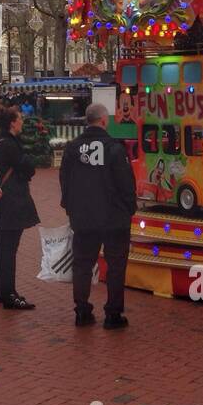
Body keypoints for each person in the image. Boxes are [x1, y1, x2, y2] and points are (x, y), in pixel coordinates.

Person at [59, 104, 135, 329]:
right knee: (116, 265)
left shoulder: (73, 148)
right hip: (113, 218)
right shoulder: (114, 148)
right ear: (104, 121)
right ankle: (113, 313)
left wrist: (70, 207)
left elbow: (65, 180)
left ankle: (82, 310)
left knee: (82, 263)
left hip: (83, 217)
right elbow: (125, 183)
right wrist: (130, 208)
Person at [0, 105, 40, 310]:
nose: (22, 121)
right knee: (8, 248)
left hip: (6, 199)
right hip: (13, 199)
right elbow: (27, 167)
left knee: (5, 245)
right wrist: (28, 164)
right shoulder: (9, 145)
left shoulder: (0, 142)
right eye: (19, 118)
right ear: (12, 122)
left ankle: (5, 291)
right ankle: (9, 293)